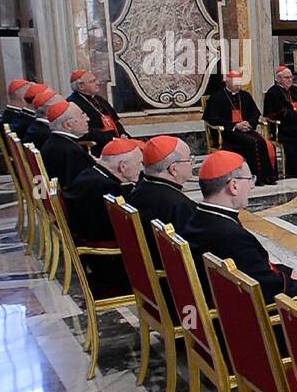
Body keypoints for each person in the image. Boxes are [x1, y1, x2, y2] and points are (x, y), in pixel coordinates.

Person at [180, 150, 297, 304]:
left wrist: (288, 273)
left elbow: (253, 267)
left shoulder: (200, 218)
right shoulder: (232, 236)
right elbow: (267, 287)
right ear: (234, 186)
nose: (252, 187)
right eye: (250, 180)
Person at [62, 137, 143, 293]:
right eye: (139, 163)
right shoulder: (107, 188)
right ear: (123, 166)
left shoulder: (91, 173)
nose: (141, 168)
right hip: (107, 263)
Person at [204, 71, 278, 186]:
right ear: (227, 81)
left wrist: (248, 123)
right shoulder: (217, 97)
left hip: (246, 129)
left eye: (239, 83)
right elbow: (212, 119)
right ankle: (255, 177)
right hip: (228, 133)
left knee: (261, 141)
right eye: (235, 83)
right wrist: (235, 126)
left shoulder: (245, 95)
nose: (238, 86)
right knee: (251, 142)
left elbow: (255, 114)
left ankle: (267, 177)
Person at [127, 135, 197, 255]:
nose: (192, 163)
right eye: (189, 159)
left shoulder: (140, 189)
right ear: (173, 169)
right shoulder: (180, 205)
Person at [67, 69, 128, 152]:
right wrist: (112, 138)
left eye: (95, 80)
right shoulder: (73, 103)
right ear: (81, 86)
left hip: (116, 141)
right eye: (92, 81)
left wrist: (122, 134)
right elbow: (83, 132)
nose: (97, 83)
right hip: (99, 147)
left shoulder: (99, 99)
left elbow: (116, 122)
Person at [40, 101, 96, 188]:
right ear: (68, 125)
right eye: (82, 115)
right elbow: (87, 184)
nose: (87, 119)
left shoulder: (55, 141)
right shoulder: (70, 151)